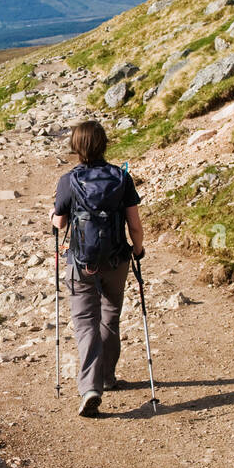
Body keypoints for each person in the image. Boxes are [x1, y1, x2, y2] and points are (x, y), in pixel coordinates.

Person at [52, 119, 144, 417]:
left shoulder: (69, 180)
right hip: (117, 260)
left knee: (84, 323)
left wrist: (53, 216)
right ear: (104, 143)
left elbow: (60, 221)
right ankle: (107, 377)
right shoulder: (121, 177)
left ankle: (91, 387)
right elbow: (135, 225)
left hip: (81, 263)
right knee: (109, 318)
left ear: (76, 147)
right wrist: (138, 250)